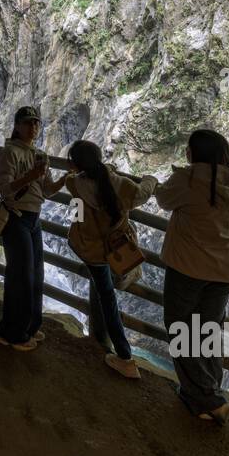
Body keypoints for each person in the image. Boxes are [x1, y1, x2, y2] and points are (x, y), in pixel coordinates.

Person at [154, 129, 229, 424]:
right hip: (224, 271)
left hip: (187, 268)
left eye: (189, 148)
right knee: (205, 331)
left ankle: (209, 398)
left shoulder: (187, 179)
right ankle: (204, 392)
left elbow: (163, 199)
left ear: (194, 153)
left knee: (180, 330)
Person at [64, 140, 158, 378]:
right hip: (117, 248)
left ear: (76, 164)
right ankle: (125, 355)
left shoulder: (74, 184)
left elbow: (72, 184)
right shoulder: (120, 185)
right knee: (110, 295)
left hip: (92, 251)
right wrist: (150, 179)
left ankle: (121, 353)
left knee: (106, 298)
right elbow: (141, 193)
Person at [0, 106, 59, 351]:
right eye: (28, 123)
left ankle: (30, 326)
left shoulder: (40, 155)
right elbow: (5, 189)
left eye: (37, 124)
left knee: (36, 275)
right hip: (16, 218)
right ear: (17, 126)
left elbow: (48, 191)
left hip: (34, 220)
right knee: (21, 277)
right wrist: (32, 175)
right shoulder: (9, 153)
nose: (34, 128)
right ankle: (12, 333)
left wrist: (66, 179)